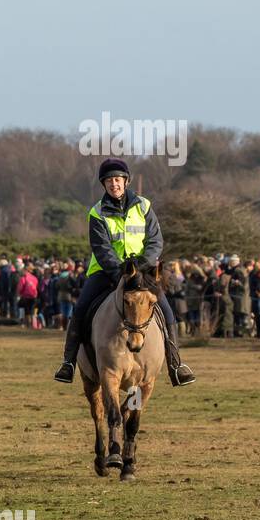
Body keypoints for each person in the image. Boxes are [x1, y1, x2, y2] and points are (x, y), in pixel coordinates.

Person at [54, 159, 195, 386]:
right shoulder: (97, 212)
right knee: (80, 308)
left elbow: (155, 241)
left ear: (126, 181)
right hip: (106, 272)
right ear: (104, 185)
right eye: (109, 181)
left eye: (117, 180)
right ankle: (68, 363)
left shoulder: (144, 206)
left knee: (167, 312)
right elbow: (101, 248)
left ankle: (176, 366)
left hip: (143, 271)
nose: (114, 184)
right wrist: (120, 271)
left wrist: (140, 265)